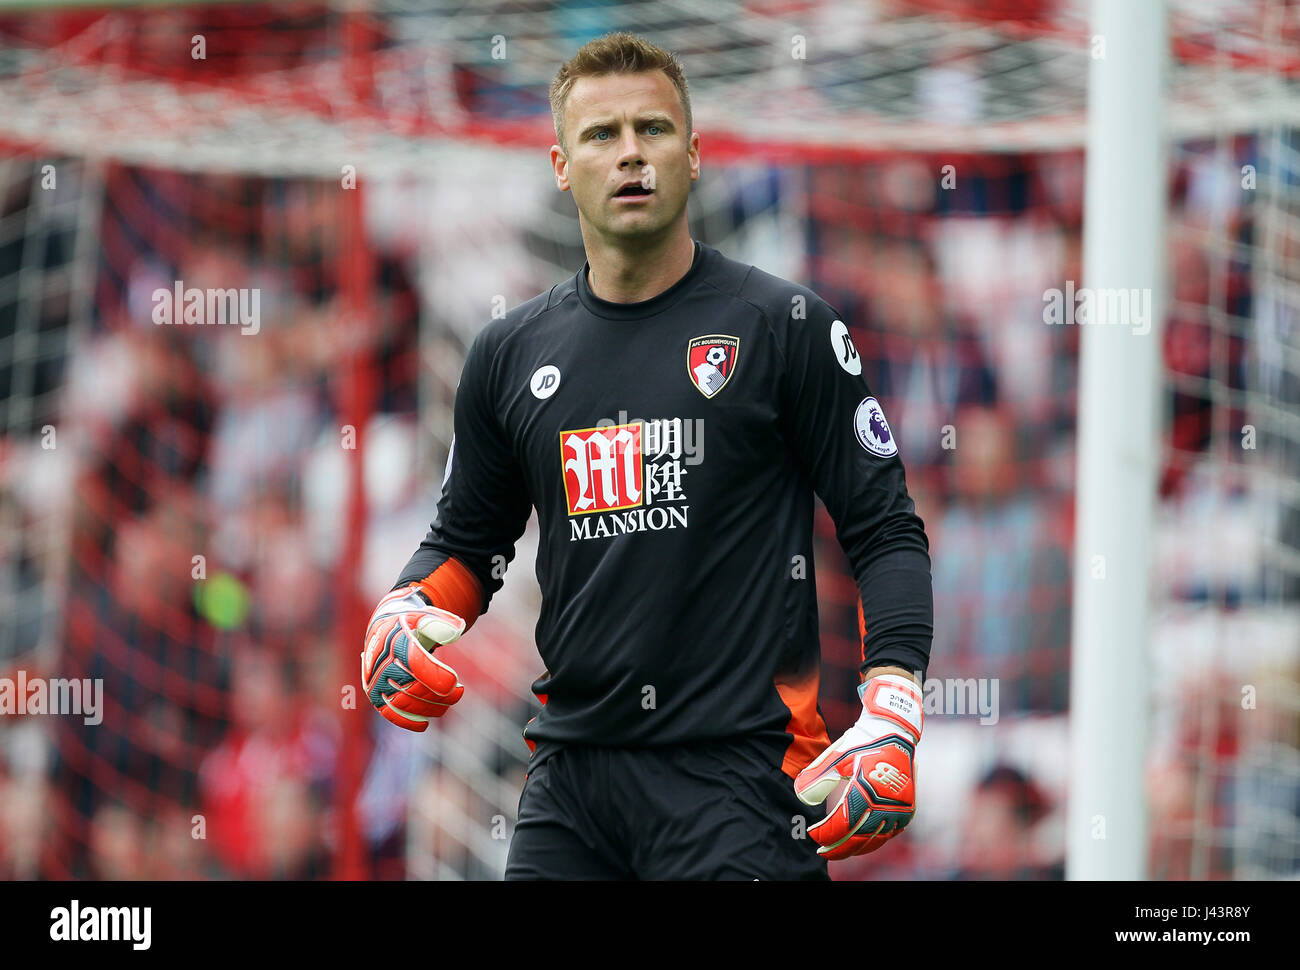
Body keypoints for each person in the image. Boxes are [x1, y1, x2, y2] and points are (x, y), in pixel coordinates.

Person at [362, 31, 933, 880]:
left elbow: (885, 531)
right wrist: (406, 608)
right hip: (571, 781)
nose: (630, 153)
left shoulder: (786, 328)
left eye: (653, 130)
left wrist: (892, 713)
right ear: (562, 165)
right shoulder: (506, 355)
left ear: (695, 155)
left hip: (741, 782)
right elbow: (469, 544)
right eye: (601, 135)